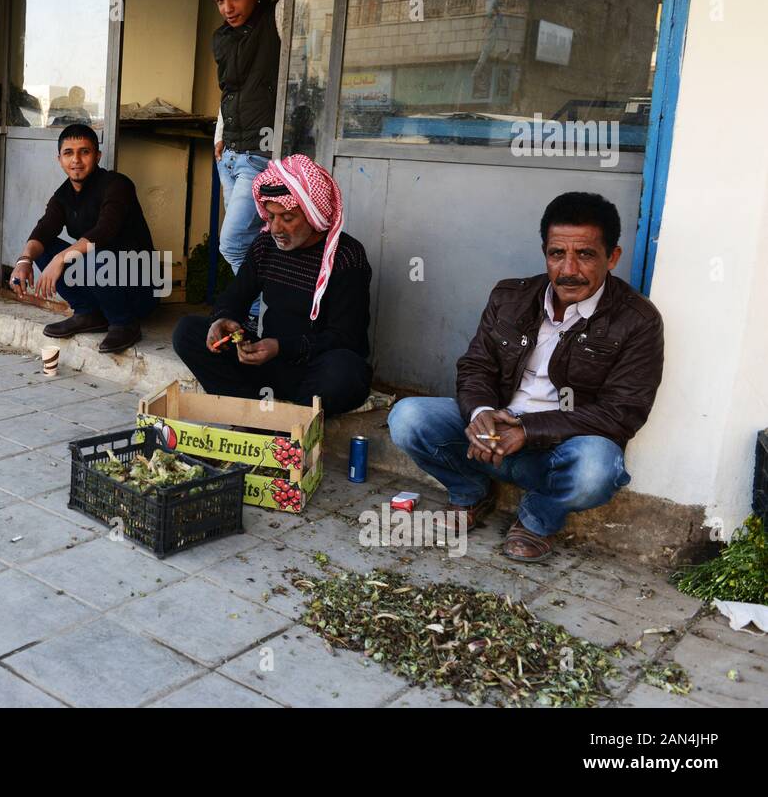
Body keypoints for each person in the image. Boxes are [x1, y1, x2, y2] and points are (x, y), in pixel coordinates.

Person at [387, 192, 665, 563]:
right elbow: (476, 366)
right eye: (556, 254)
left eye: (585, 255)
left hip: (560, 447)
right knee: (407, 417)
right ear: (544, 252)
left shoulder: (638, 321)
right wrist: (481, 414)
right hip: (496, 432)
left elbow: (622, 412)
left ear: (612, 257)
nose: (569, 269)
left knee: (597, 470)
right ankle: (471, 489)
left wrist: (527, 429)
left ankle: (537, 518)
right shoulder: (510, 296)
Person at [173, 154, 372, 413]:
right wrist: (224, 320)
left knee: (346, 371)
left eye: (287, 218)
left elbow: (346, 338)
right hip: (269, 365)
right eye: (270, 217)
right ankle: (251, 418)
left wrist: (281, 348)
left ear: (314, 215)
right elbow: (235, 297)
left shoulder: (346, 256)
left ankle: (290, 426)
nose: (276, 228)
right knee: (188, 331)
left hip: (315, 369)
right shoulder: (266, 245)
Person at [9, 123, 157, 355]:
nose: (76, 159)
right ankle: (88, 313)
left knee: (90, 254)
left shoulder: (117, 184)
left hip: (139, 285)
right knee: (45, 248)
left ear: (97, 156)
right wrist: (24, 261)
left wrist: (60, 260)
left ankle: (124, 322)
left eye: (84, 152)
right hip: (102, 276)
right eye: (69, 153)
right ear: (59, 159)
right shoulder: (63, 196)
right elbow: (43, 230)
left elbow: (104, 232)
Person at [206, 0, 290, 322]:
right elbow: (229, 91)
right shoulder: (221, 38)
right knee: (254, 243)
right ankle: (265, 315)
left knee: (232, 243)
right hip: (230, 157)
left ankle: (259, 317)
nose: (228, 7)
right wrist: (220, 135)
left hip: (260, 157)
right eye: (220, 0)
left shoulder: (277, 19)